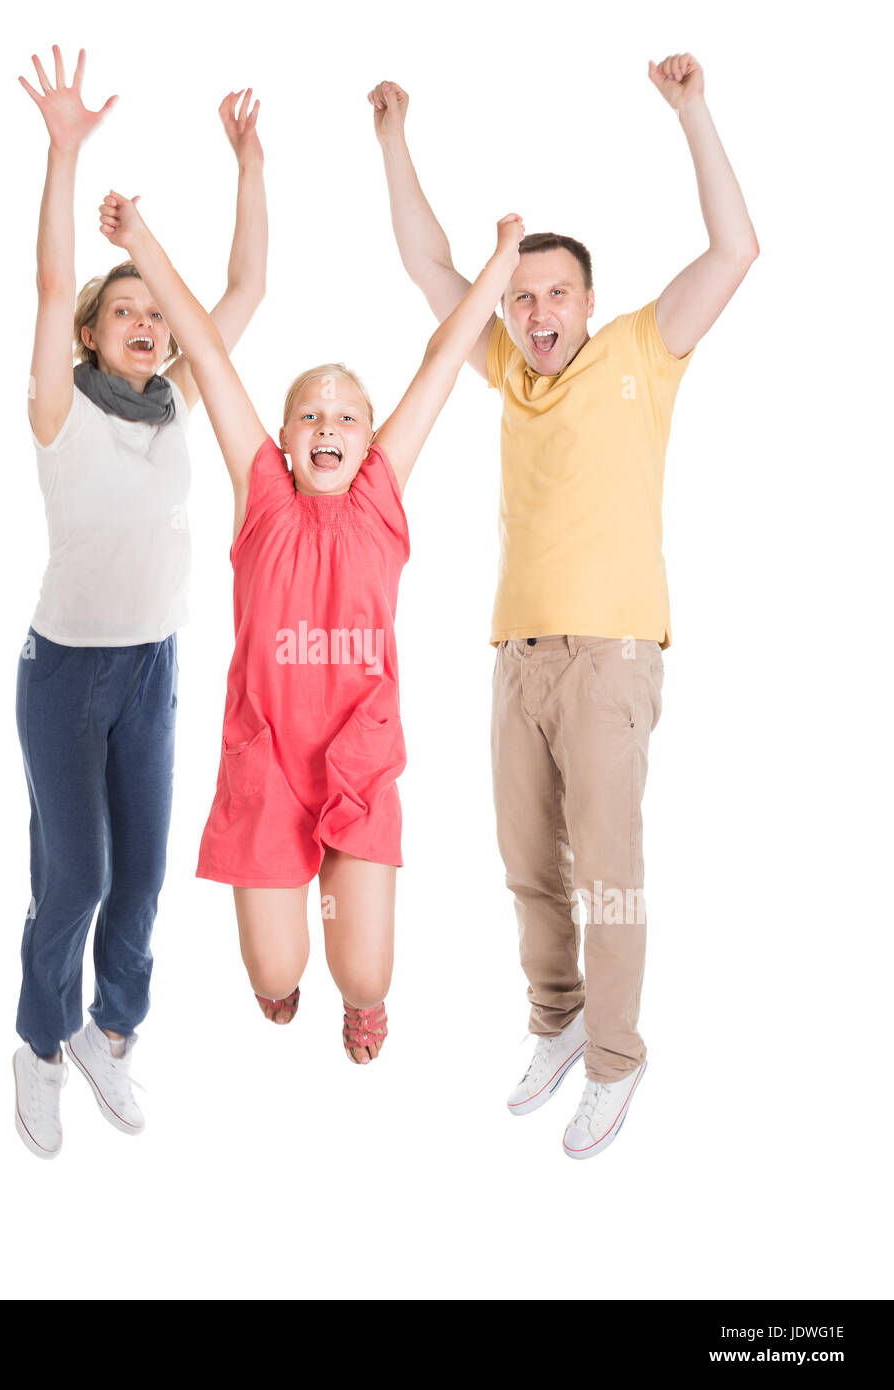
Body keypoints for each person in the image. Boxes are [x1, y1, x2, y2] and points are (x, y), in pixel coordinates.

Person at [370, 54, 758, 1155]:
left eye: (555, 293)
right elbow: (423, 263)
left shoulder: (643, 347)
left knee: (610, 872)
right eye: (522, 294)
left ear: (588, 299)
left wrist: (691, 111)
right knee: (527, 864)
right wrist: (394, 137)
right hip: (516, 656)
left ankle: (617, 1056)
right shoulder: (508, 370)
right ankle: (557, 1017)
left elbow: (736, 249)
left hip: (610, 658)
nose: (536, 310)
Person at [97, 184, 525, 1064]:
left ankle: (359, 1002)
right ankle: (279, 977)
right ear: (286, 440)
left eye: (346, 415)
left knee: (365, 976)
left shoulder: (378, 496)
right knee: (274, 970)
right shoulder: (261, 497)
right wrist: (140, 240)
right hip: (267, 761)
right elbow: (208, 354)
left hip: (358, 759)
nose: (327, 423)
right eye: (310, 414)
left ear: (369, 441)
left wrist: (501, 266)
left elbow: (443, 361)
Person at [11, 45, 267, 1159]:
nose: (149, 323)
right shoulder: (58, 408)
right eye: (127, 310)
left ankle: (109, 1033)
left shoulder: (177, 404)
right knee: (78, 871)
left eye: (158, 313)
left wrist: (249, 160)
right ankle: (38, 1038)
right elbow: (47, 281)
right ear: (93, 331)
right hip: (65, 672)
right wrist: (64, 153)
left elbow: (248, 289)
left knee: (147, 875)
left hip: (154, 666)